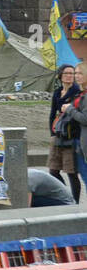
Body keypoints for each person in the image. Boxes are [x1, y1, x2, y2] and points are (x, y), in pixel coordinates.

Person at [48, 63, 81, 203]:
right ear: (60, 75)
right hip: (58, 135)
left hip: (71, 136)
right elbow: (52, 114)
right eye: (67, 73)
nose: (70, 76)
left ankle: (75, 203)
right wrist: (52, 132)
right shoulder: (57, 92)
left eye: (72, 73)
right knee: (53, 171)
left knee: (71, 172)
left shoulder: (77, 91)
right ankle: (65, 195)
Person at [60, 63, 87, 198]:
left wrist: (69, 109)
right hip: (80, 140)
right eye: (76, 73)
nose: (76, 76)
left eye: (80, 73)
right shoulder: (81, 93)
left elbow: (85, 119)